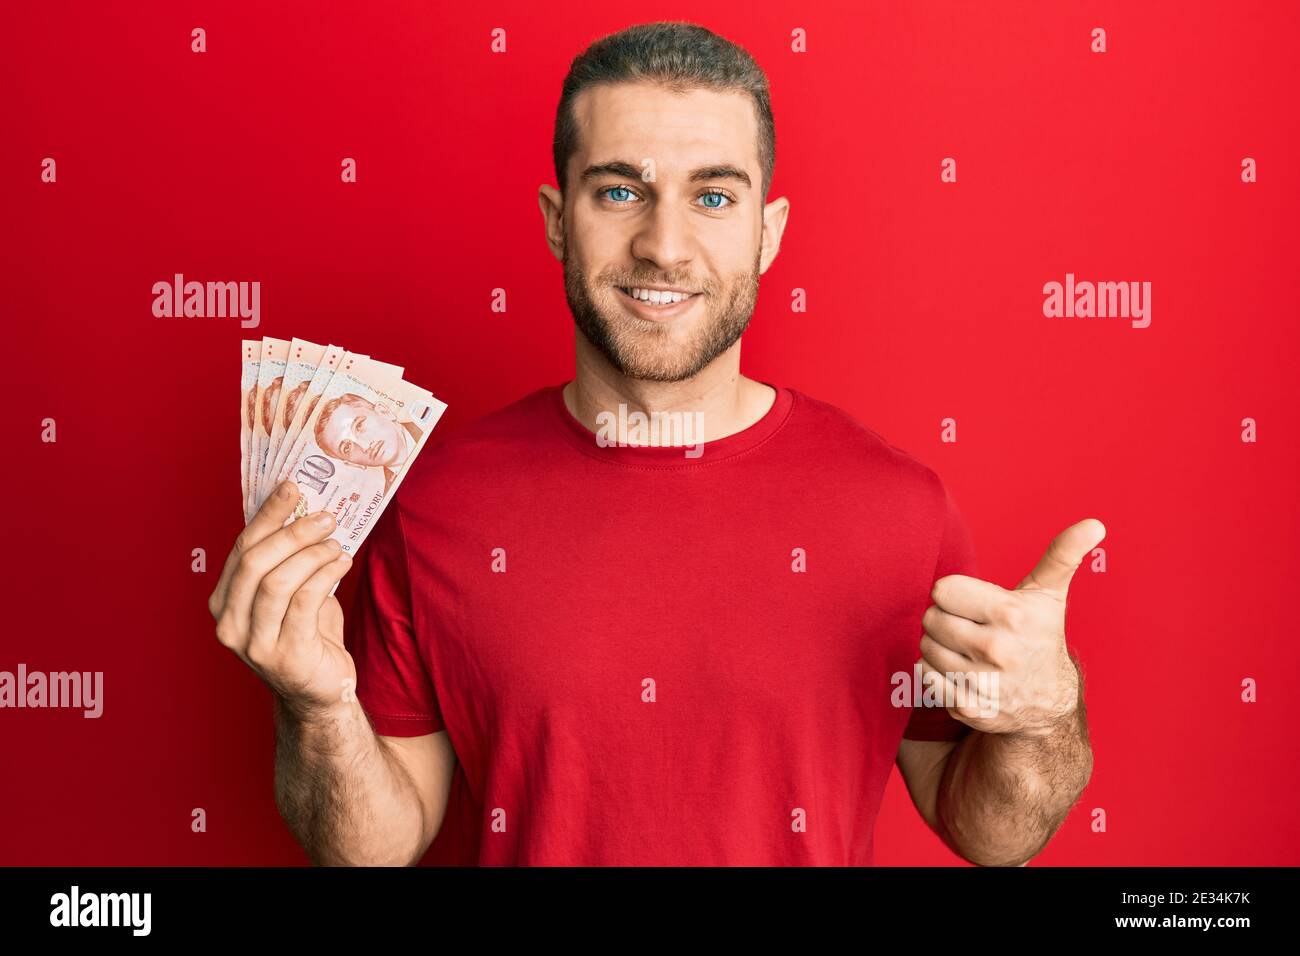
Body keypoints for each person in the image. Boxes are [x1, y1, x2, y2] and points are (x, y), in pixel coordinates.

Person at [208, 20, 1098, 866]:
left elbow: (989, 834)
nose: (664, 245)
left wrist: (1045, 717)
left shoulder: (902, 512)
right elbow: (376, 845)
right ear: (559, 219)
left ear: (769, 233)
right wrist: (317, 707)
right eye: (621, 191)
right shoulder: (434, 503)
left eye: (713, 196)